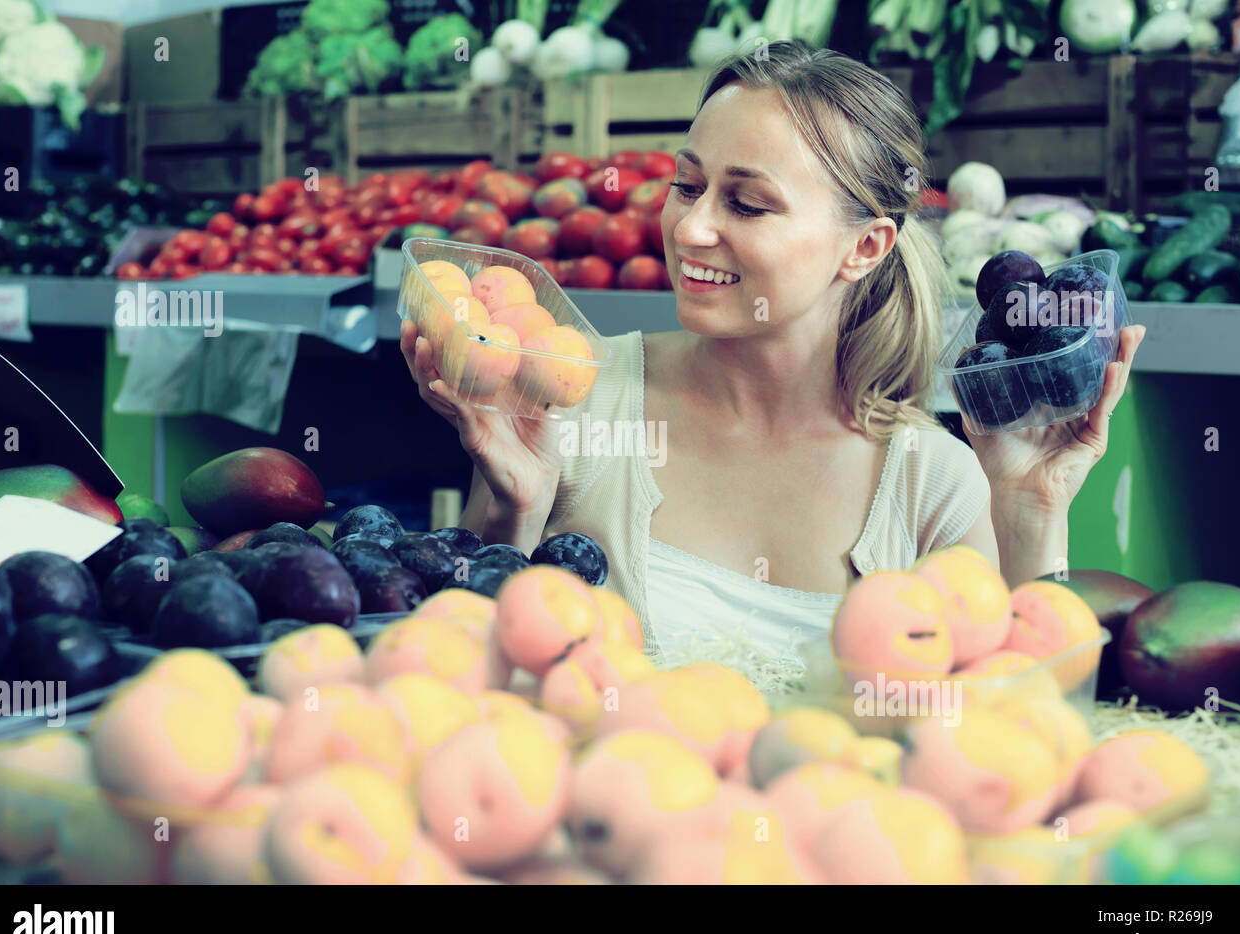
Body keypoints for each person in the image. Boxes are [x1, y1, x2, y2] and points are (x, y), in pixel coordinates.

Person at [399, 41, 1144, 689]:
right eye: (686, 187)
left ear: (866, 247)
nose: (691, 229)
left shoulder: (932, 481)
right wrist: (513, 511)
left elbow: (1014, 745)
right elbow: (466, 691)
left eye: (747, 205)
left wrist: (1031, 513)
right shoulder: (575, 399)